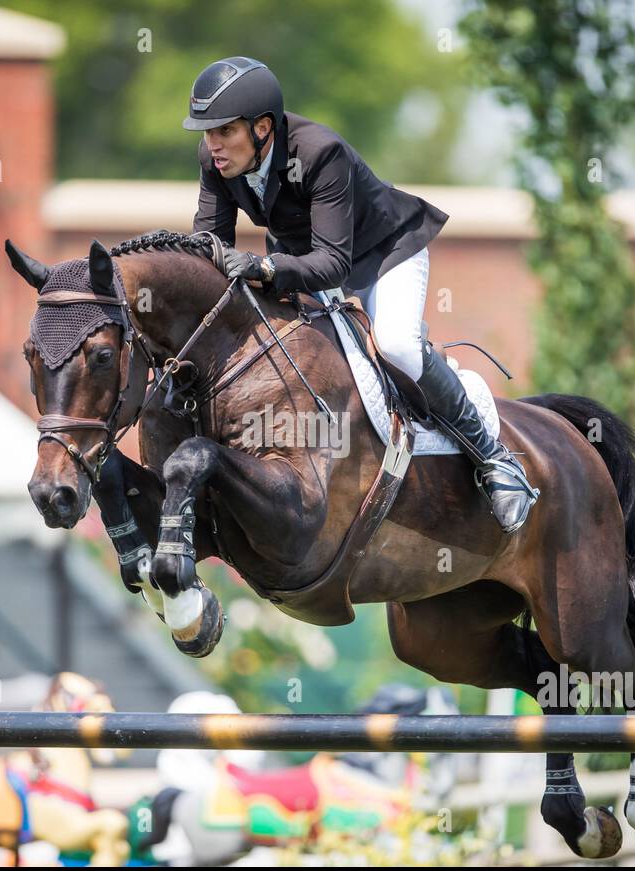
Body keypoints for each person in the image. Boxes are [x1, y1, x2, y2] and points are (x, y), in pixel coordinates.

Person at [184, 56, 539, 533]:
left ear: (263, 127)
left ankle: (494, 459)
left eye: (224, 131)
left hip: (384, 254)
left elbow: (334, 262)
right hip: (303, 258)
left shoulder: (319, 152)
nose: (213, 145)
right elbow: (209, 245)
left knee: (395, 345)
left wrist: (264, 266)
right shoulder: (216, 160)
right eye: (208, 133)